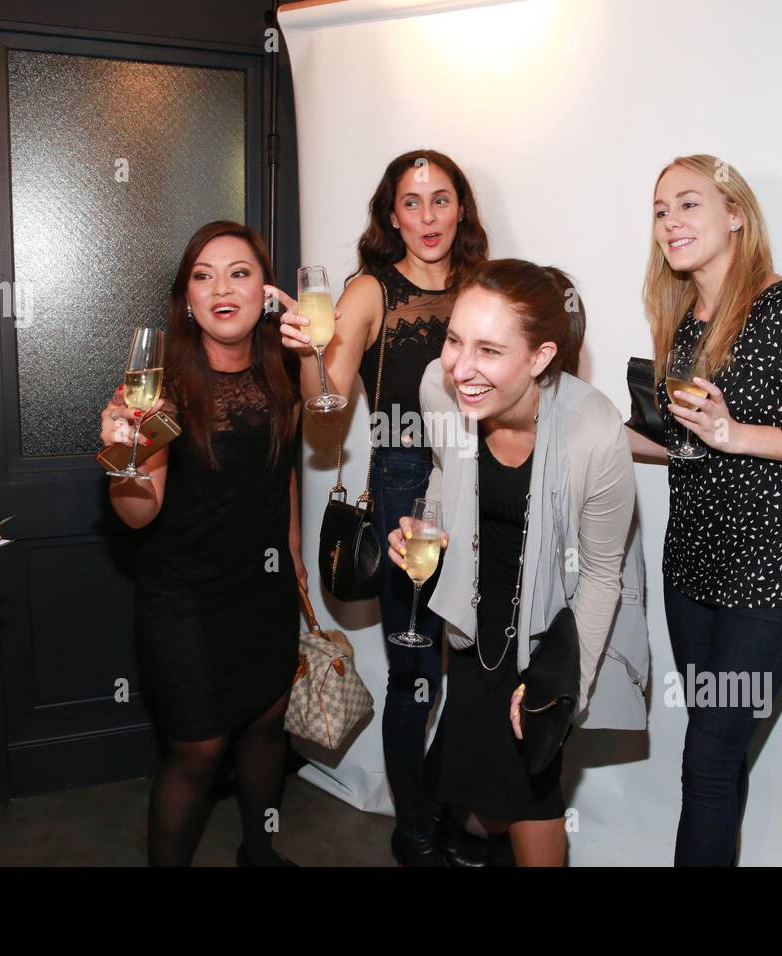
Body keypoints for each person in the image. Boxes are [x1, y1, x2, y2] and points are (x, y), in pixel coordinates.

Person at [631, 154, 782, 865]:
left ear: (735, 212)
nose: (670, 223)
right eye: (660, 211)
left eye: (688, 204)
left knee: (708, 755)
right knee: (718, 749)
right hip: (696, 572)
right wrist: (575, 431)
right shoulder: (684, 320)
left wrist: (734, 433)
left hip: (771, 578)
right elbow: (681, 443)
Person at [266, 149, 492, 866]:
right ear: (391, 215)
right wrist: (308, 352)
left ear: (462, 207)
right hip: (407, 490)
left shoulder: (485, 287)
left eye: (441, 198)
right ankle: (416, 830)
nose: (428, 216)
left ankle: (446, 808)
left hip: (485, 484)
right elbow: (326, 405)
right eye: (412, 201)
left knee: (485, 669)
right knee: (417, 671)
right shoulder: (370, 291)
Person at [388, 259, 645, 867]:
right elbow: (447, 476)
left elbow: (603, 575)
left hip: (554, 626)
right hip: (475, 625)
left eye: (489, 350)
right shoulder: (438, 388)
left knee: (534, 794)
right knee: (496, 794)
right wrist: (423, 528)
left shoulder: (593, 432)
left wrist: (562, 691)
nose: (460, 367)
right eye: (454, 339)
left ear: (540, 357)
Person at [101, 220, 304, 867]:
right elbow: (138, 514)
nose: (222, 287)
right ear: (185, 298)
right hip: (184, 599)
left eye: (239, 272)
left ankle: (260, 852)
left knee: (268, 725)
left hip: (264, 588)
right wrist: (123, 460)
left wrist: (295, 562)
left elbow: (286, 470)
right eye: (203, 275)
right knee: (199, 749)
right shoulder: (157, 389)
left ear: (265, 292)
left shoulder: (282, 374)